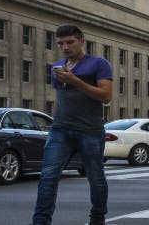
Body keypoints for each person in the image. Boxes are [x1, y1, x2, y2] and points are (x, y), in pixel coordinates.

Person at [32, 25, 113, 225]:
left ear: (81, 41)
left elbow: (106, 96)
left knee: (95, 177)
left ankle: (97, 218)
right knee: (48, 176)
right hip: (60, 130)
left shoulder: (98, 64)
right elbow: (62, 97)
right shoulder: (58, 66)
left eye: (70, 42)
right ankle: (40, 221)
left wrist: (75, 80)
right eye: (60, 43)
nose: (65, 47)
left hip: (90, 130)